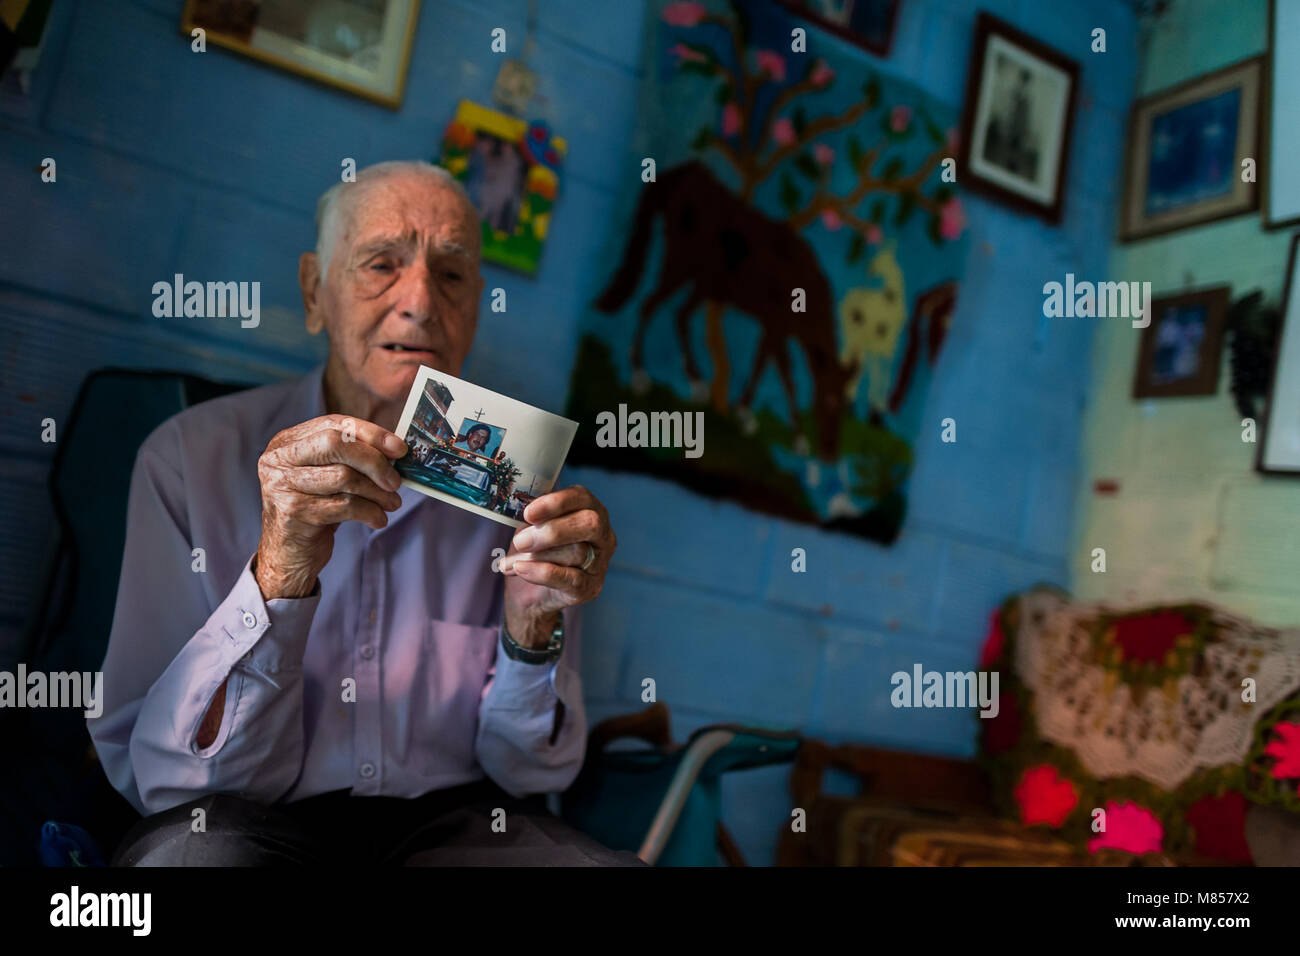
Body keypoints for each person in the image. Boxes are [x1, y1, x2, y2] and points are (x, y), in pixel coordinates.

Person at [90, 160, 631, 866]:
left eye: (453, 275)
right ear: (316, 292)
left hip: (452, 829)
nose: (421, 303)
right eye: (382, 263)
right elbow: (164, 780)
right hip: (244, 820)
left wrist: (532, 627)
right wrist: (277, 575)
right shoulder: (189, 458)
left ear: (474, 306)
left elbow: (529, 774)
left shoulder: (527, 496)